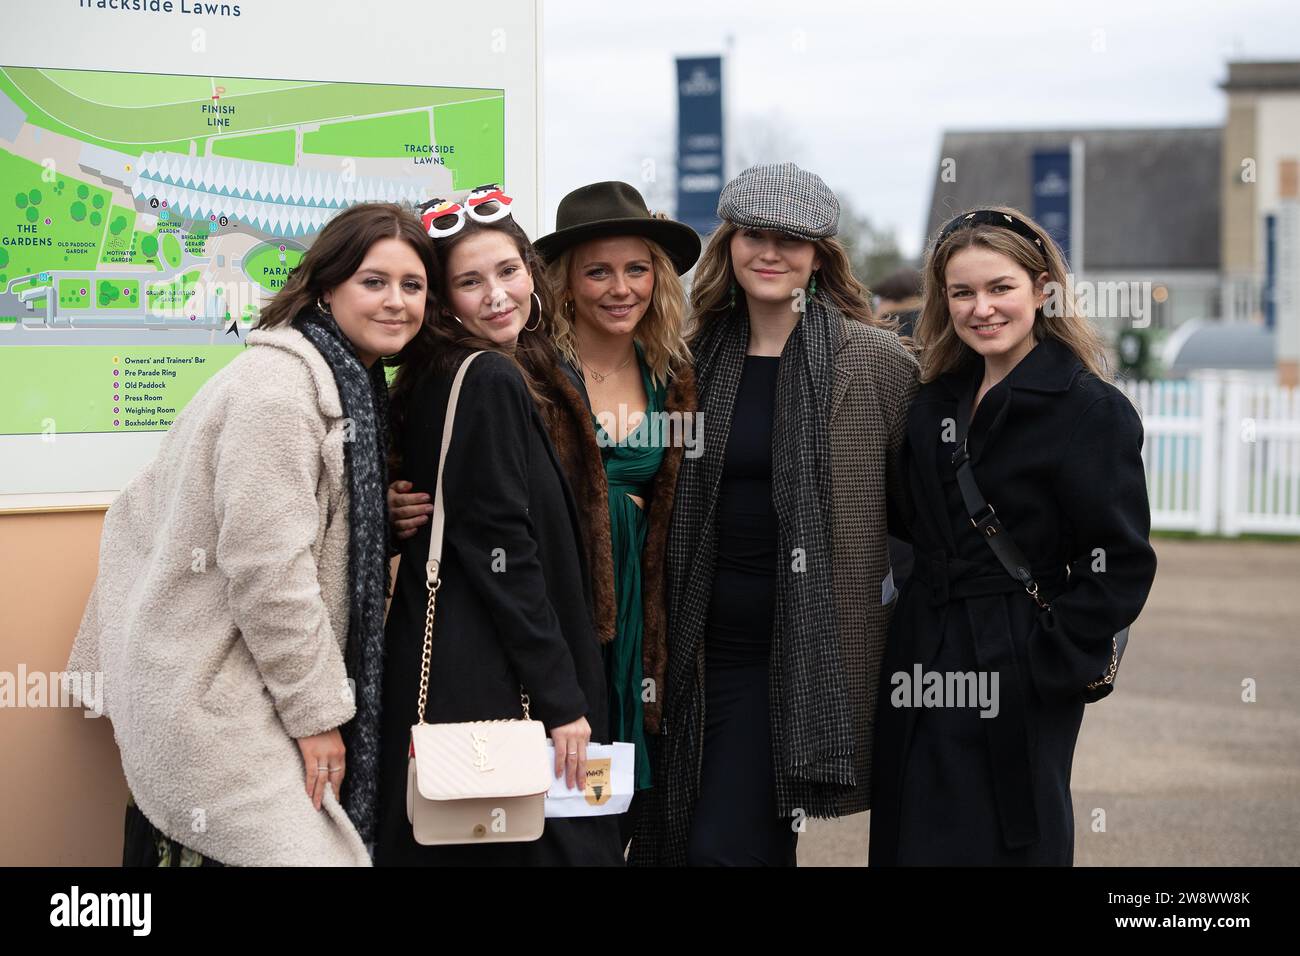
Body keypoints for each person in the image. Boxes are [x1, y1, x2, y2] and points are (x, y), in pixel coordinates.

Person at [67, 202, 429, 865]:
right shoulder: (279, 393)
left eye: (413, 285)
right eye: (374, 282)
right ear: (328, 286)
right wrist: (318, 718)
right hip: (212, 684)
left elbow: (307, 521)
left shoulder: (347, 382)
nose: (397, 302)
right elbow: (268, 572)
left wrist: (381, 516)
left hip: (239, 672)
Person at [630, 162, 919, 866]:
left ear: (820, 254)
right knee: (689, 841)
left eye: (791, 239)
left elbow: (920, 516)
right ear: (729, 244)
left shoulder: (874, 363)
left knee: (723, 849)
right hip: (696, 649)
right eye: (753, 234)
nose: (770, 252)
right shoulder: (686, 357)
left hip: (797, 652)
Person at [868, 207, 1158, 866]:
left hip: (1019, 662)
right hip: (920, 653)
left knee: (1008, 841)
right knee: (911, 836)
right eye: (962, 292)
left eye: (1000, 288)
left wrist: (1051, 661)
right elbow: (908, 526)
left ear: (1041, 290)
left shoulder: (1088, 410)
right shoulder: (932, 401)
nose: (982, 308)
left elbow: (1120, 562)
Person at [375, 187, 624, 865]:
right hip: (494, 679)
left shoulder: (483, 370)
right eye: (469, 282)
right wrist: (563, 700)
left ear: (531, 274)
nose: (496, 296)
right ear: (443, 299)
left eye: (508, 271)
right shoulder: (486, 377)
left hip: (470, 670)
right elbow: (504, 554)